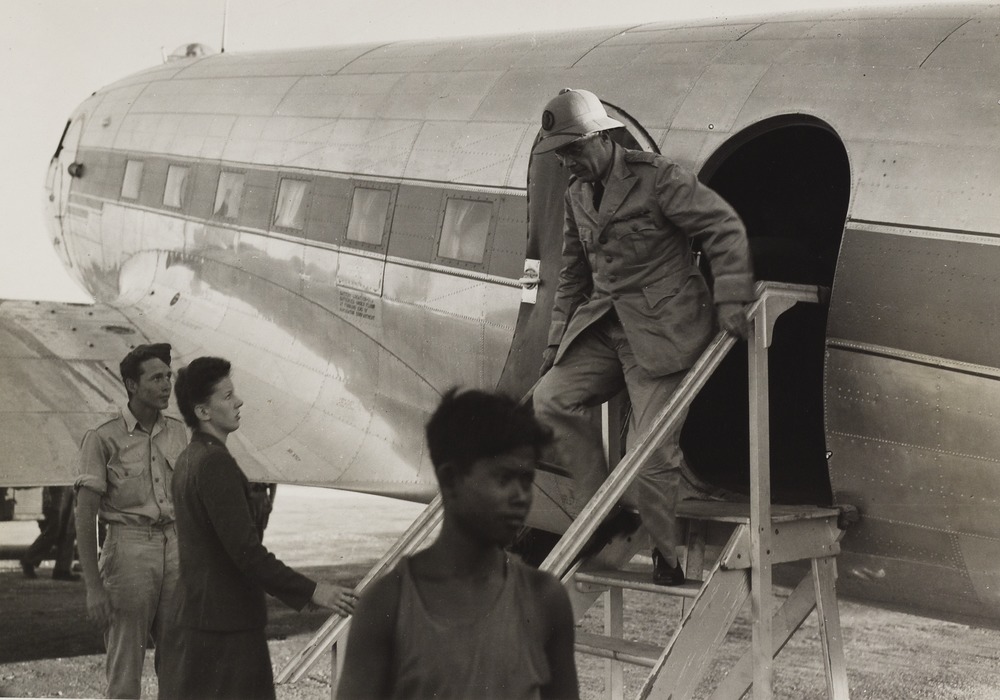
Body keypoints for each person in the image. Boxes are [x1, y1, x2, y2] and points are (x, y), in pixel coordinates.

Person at [531, 88, 754, 586]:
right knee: (550, 400)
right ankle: (602, 517)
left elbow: (723, 227)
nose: (567, 164)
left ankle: (666, 551)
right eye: (561, 154)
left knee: (651, 451)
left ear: (601, 138)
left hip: (662, 330)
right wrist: (553, 347)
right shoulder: (575, 194)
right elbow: (572, 275)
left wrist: (732, 297)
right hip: (605, 325)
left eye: (572, 150)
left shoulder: (659, 178)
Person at [337, 388, 579, 700]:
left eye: (526, 480)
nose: (521, 496)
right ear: (450, 479)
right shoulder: (387, 604)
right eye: (504, 478)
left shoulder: (544, 599)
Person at [168, 357, 356, 700]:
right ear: (203, 412)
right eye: (226, 396)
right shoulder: (214, 463)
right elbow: (247, 554)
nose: (238, 402)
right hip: (228, 625)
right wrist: (313, 590)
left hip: (200, 618)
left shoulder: (189, 458)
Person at [74, 342, 187, 698]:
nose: (166, 385)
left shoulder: (178, 432)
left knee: (179, 663)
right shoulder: (103, 438)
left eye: (168, 376)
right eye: (156, 378)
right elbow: (85, 513)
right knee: (125, 668)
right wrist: (93, 587)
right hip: (128, 550)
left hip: (176, 549)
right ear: (132, 385)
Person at [20, 485, 78, 581]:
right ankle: (29, 559)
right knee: (56, 527)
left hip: (70, 482)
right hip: (59, 483)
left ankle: (62, 569)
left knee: (69, 526)